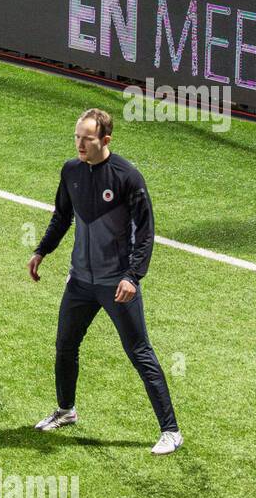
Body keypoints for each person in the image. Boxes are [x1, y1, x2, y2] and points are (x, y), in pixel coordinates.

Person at [28, 108, 183, 456]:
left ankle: (171, 430)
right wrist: (42, 251)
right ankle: (66, 410)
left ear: (106, 140)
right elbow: (62, 217)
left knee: (139, 352)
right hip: (80, 281)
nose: (80, 145)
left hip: (117, 284)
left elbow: (146, 233)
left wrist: (133, 276)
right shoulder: (71, 171)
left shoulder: (127, 176)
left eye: (88, 138)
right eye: (77, 137)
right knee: (65, 345)